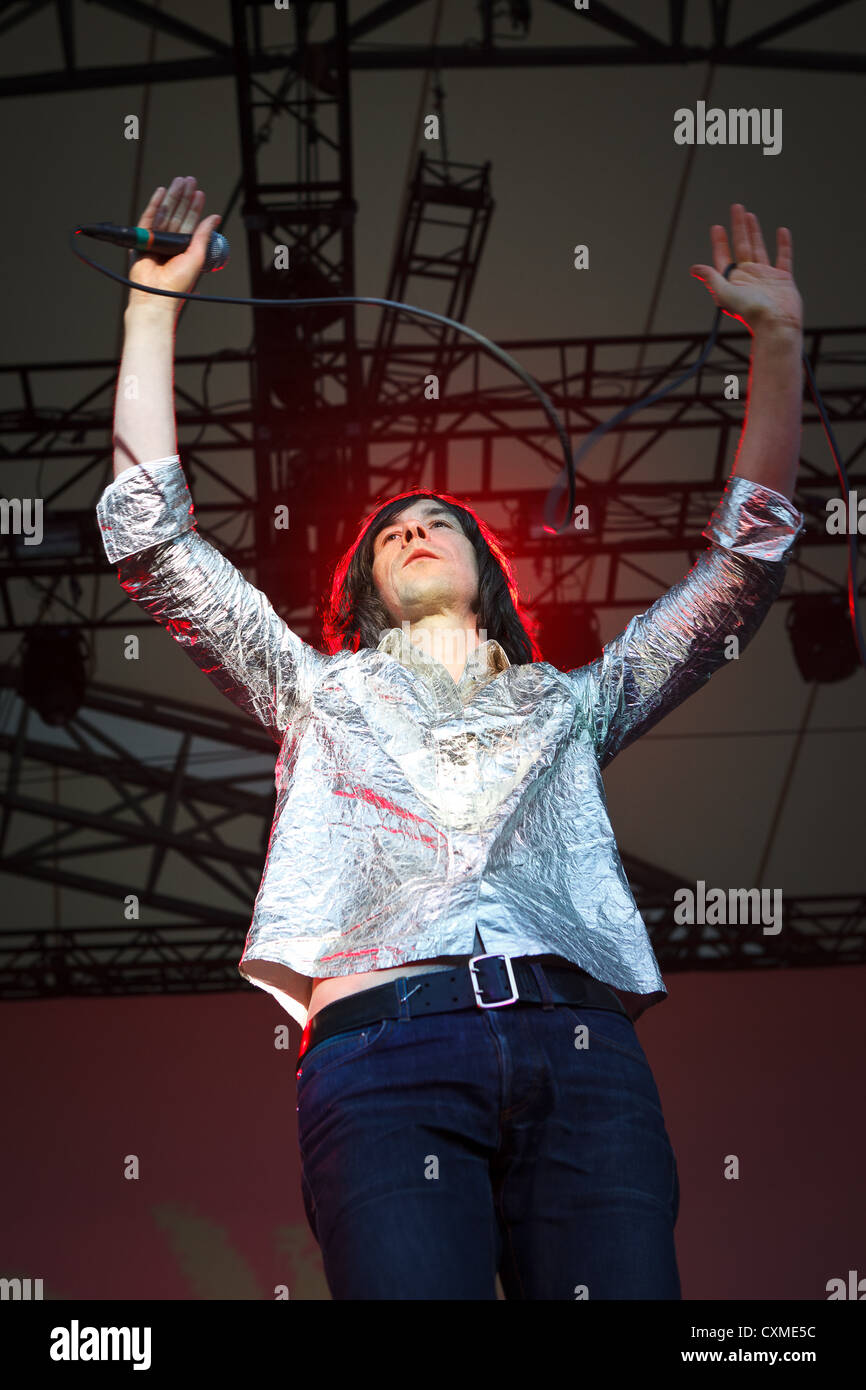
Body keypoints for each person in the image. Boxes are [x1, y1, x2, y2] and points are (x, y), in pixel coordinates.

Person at [98, 176, 806, 1300]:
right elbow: (152, 541)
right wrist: (151, 305)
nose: (416, 526)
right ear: (367, 586)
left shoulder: (572, 702)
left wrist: (775, 350)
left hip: (578, 1050)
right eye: (392, 529)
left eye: (440, 521)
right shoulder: (313, 690)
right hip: (383, 1050)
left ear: (488, 571)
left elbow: (740, 572)